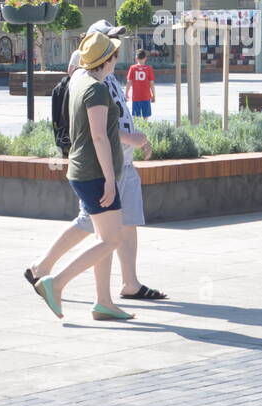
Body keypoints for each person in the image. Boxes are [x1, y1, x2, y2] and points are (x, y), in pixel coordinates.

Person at [28, 21, 166, 305]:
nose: (117, 45)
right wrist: (127, 145)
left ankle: (127, 284)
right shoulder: (88, 70)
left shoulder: (107, 72)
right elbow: (98, 129)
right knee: (94, 226)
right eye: (111, 39)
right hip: (101, 165)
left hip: (119, 161)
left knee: (124, 225)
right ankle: (46, 272)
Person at [31, 32, 135, 322]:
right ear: (107, 60)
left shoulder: (79, 79)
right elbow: (99, 137)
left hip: (82, 171)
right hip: (95, 174)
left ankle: (103, 302)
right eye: (114, 54)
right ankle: (56, 283)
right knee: (112, 240)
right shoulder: (98, 90)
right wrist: (110, 181)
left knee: (104, 237)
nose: (117, 59)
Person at [126, 48, 156, 118]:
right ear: (145, 58)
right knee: (146, 117)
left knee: (136, 117)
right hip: (146, 96)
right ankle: (145, 128)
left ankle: (137, 128)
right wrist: (153, 95)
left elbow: (128, 82)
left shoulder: (132, 68)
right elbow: (151, 83)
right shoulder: (148, 68)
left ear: (136, 58)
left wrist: (126, 93)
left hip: (136, 96)